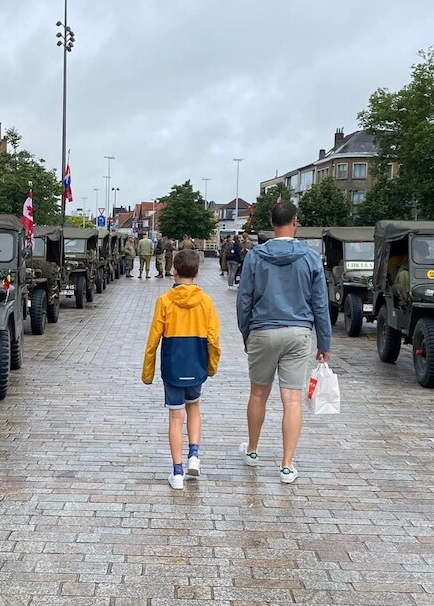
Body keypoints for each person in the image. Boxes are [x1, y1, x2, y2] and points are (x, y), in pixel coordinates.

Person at [236, 201, 331, 484]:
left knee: (258, 394)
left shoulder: (255, 256)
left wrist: (246, 334)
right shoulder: (310, 258)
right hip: (298, 332)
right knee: (291, 400)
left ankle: (252, 451)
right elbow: (320, 304)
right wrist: (323, 342)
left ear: (272, 222)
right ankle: (287, 465)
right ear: (295, 222)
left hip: (263, 331)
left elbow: (244, 300)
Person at [142, 249, 221, 490]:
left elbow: (153, 338)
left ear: (174, 271)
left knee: (176, 417)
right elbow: (214, 338)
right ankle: (194, 455)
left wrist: (148, 372)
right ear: (196, 273)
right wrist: (211, 366)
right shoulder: (206, 301)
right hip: (196, 363)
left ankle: (177, 472)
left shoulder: (165, 301)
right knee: (194, 406)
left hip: (173, 364)